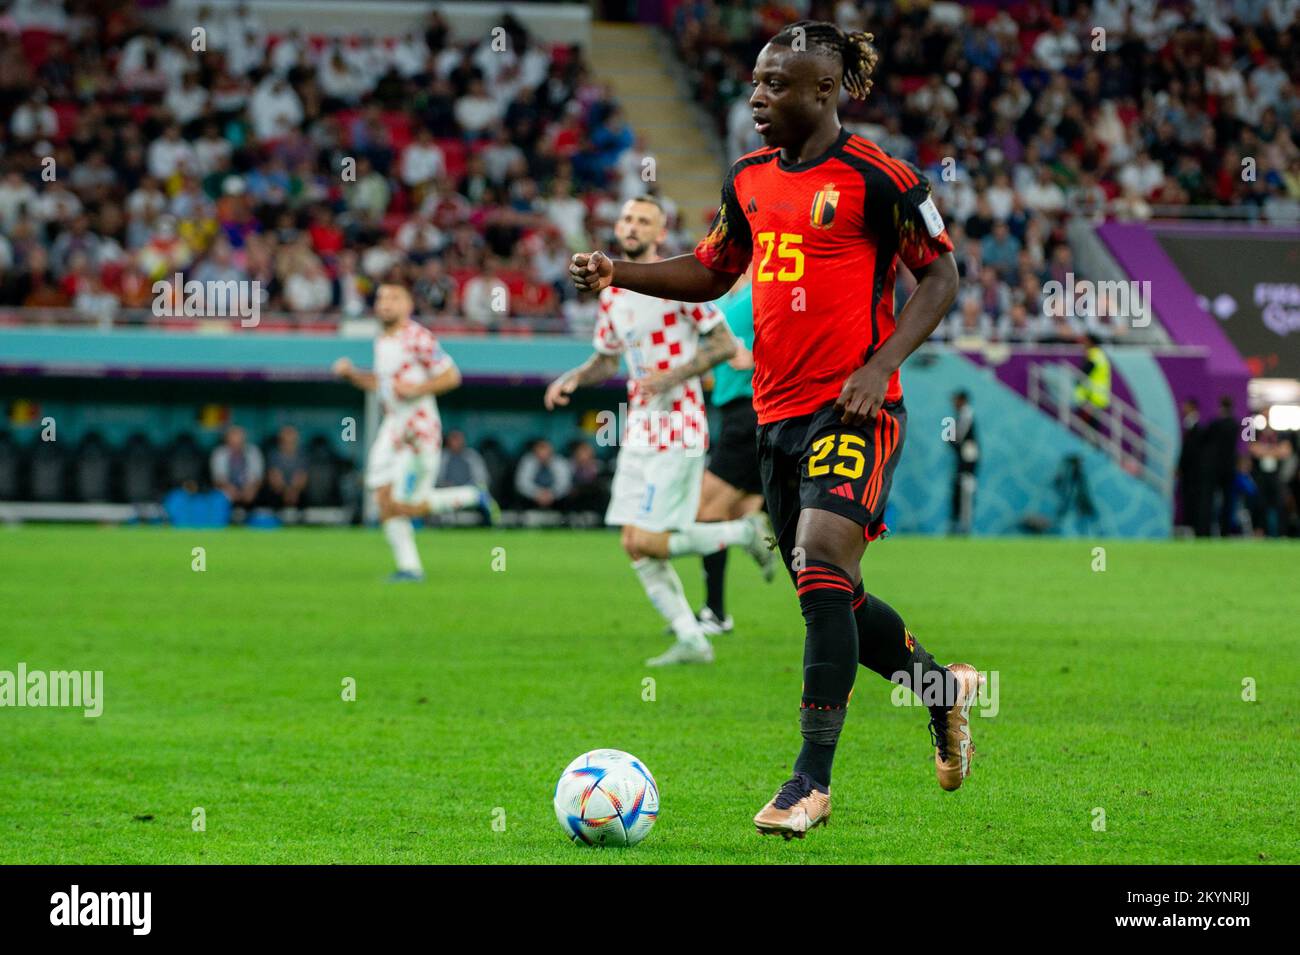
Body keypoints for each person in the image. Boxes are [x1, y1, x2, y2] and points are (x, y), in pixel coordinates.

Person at [568, 22, 979, 839]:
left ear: (825, 92)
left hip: (856, 408)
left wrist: (879, 364)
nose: (758, 96)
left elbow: (942, 277)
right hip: (774, 414)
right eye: (756, 81)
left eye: (777, 83)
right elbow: (715, 267)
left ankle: (808, 783)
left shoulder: (878, 176)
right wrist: (624, 274)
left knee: (823, 558)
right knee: (828, 596)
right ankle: (941, 689)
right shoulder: (749, 178)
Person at [546, 195, 775, 668]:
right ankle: (692, 639)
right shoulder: (611, 293)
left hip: (680, 428)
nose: (631, 225)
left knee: (649, 539)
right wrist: (573, 376)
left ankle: (743, 531)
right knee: (633, 543)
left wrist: (672, 377)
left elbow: (723, 344)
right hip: (640, 430)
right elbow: (608, 359)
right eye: (626, 217)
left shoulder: (677, 286)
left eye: (642, 220)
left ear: (659, 232)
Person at [332, 283, 497, 582]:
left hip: (419, 431)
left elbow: (451, 376)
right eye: (381, 298)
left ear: (408, 306)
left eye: (393, 298)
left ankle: (472, 496)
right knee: (383, 499)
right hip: (393, 427)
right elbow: (381, 385)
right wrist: (351, 375)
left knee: (407, 505)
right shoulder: (382, 341)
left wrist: (417, 389)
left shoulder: (417, 336)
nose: (385, 303)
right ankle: (409, 568)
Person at [693, 266, 768, 636]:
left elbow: (802, 329)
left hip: (750, 413)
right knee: (738, 510)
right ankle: (755, 530)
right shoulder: (729, 296)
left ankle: (716, 612)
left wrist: (761, 357)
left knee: (706, 514)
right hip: (737, 413)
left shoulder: (765, 289)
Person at [211, 425, 263, 506]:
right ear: (227, 440)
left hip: (249, 488)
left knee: (254, 494)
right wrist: (229, 488)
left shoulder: (253, 451)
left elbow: (258, 477)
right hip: (228, 488)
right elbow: (218, 479)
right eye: (233, 442)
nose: (236, 445)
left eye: (239, 442)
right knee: (222, 494)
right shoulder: (219, 453)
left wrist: (251, 488)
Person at [949, 390, 978, 534]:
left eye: (956, 400)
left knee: (966, 492)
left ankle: (964, 526)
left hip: (968, 464)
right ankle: (959, 524)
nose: (953, 403)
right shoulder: (961, 415)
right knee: (959, 492)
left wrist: (950, 438)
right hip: (963, 462)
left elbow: (958, 437)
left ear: (962, 400)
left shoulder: (966, 414)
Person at [514, 438, 572, 509]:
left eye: (546, 452)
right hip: (533, 497)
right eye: (540, 452)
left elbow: (564, 484)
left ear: (551, 452)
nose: (543, 455)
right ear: (535, 452)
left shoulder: (560, 462)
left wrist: (552, 494)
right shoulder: (527, 461)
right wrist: (537, 493)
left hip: (555, 498)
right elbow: (522, 483)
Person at [266, 425, 308, 508]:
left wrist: (293, 490)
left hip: (297, 492)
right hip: (279, 492)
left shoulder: (302, 455)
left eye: (291, 441)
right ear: (280, 441)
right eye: (285, 441)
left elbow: (302, 477)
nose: (288, 443)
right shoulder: (273, 455)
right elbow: (274, 478)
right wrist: (286, 491)